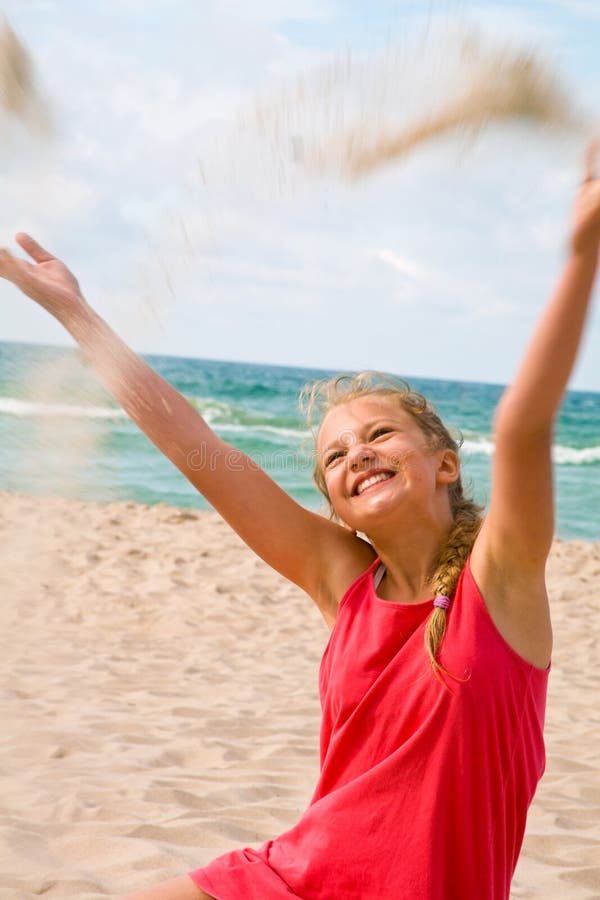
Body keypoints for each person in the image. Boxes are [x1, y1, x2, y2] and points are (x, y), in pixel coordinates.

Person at [1, 142, 599, 900]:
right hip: (292, 880)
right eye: (336, 457)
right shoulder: (340, 580)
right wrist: (72, 310)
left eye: (380, 436)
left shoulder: (501, 581)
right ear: (333, 504)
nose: (358, 456)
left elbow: (522, 427)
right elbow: (196, 447)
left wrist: (583, 254)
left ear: (445, 463)